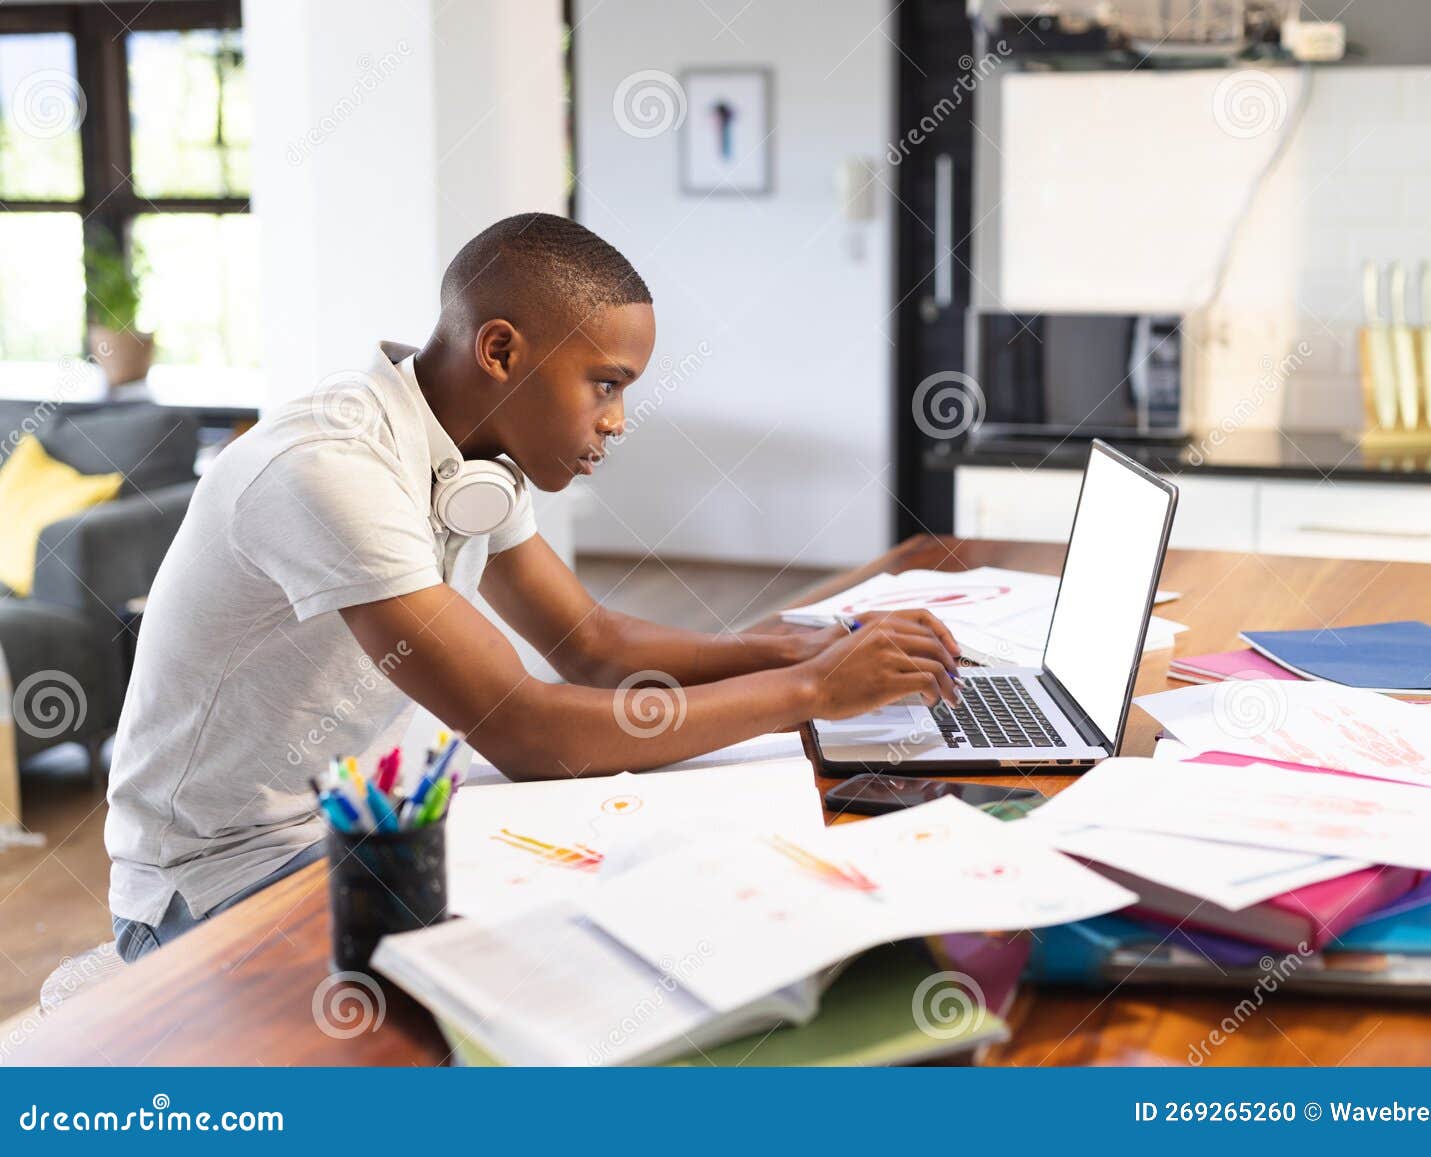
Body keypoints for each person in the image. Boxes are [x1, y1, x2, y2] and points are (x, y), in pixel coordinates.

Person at [105, 213, 960, 962]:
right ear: (501, 349)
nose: (618, 420)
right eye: (607, 383)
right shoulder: (330, 469)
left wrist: (788, 646)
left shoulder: (470, 452)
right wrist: (810, 690)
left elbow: (590, 644)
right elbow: (523, 728)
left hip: (377, 827)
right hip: (224, 883)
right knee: (599, 959)